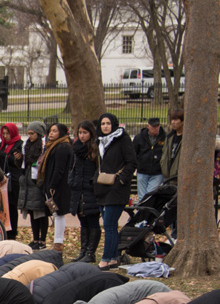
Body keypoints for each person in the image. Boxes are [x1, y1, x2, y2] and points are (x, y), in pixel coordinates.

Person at [95, 112, 136, 269]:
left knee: (110, 224)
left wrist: (122, 180)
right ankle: (112, 257)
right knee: (108, 224)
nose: (105, 126)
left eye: (108, 123)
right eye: (103, 123)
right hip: (102, 187)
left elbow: (132, 162)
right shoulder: (99, 141)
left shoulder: (122, 139)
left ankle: (106, 258)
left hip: (117, 188)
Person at [38, 122, 73, 254]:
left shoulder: (62, 147)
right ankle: (57, 241)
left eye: (54, 131)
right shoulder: (52, 147)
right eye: (50, 131)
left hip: (58, 186)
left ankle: (59, 242)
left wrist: (52, 184)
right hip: (50, 184)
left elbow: (59, 168)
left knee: (58, 213)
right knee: (55, 212)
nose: (51, 133)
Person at [69, 120, 101, 264]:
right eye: (80, 133)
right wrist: (73, 181)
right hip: (78, 189)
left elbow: (99, 169)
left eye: (85, 133)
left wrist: (93, 182)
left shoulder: (95, 149)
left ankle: (90, 251)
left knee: (92, 221)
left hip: (91, 190)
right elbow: (73, 168)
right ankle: (83, 250)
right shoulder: (76, 149)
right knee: (83, 221)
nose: (82, 136)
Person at [18, 121, 49, 249]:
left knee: (40, 212)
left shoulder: (43, 147)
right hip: (28, 180)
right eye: (28, 133)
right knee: (32, 211)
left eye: (32, 133)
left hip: (38, 181)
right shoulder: (26, 145)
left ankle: (42, 240)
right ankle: (35, 238)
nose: (30, 136)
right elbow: (23, 164)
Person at [0, 122, 23, 240]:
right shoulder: (1, 145)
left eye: (7, 133)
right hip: (2, 180)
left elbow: (19, 163)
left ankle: (12, 233)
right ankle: (4, 231)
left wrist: (15, 158)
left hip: (13, 180)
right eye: (3, 134)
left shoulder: (19, 145)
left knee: (12, 207)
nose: (5, 136)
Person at [133, 117, 166, 198]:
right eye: (153, 126)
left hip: (157, 172)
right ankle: (143, 210)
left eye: (157, 126)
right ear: (148, 126)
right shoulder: (139, 138)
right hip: (142, 171)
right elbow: (133, 153)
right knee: (142, 197)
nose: (155, 128)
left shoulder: (165, 137)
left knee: (151, 195)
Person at [160, 109, 183, 184]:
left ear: (183, 121)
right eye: (172, 119)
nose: (173, 122)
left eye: (176, 120)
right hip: (168, 176)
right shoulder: (169, 137)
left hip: (179, 178)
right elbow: (164, 153)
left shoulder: (186, 139)